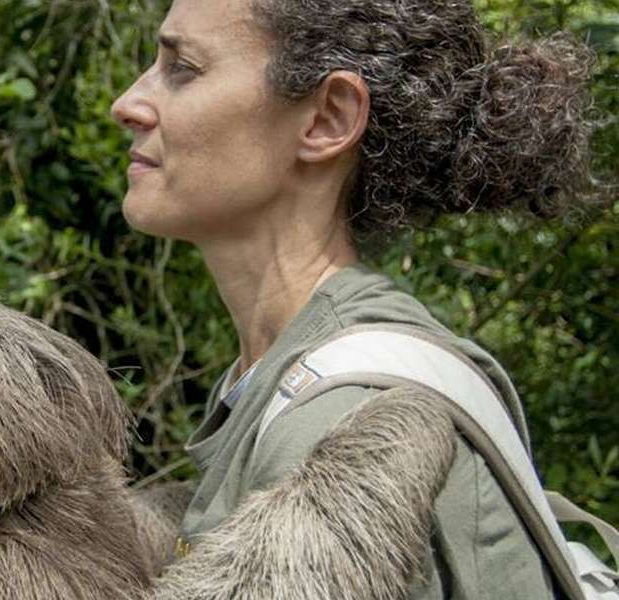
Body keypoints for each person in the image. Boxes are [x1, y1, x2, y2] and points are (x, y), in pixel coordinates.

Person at [109, 0, 596, 598]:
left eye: (182, 68)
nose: (127, 104)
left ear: (327, 119)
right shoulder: (275, 375)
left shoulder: (348, 412)